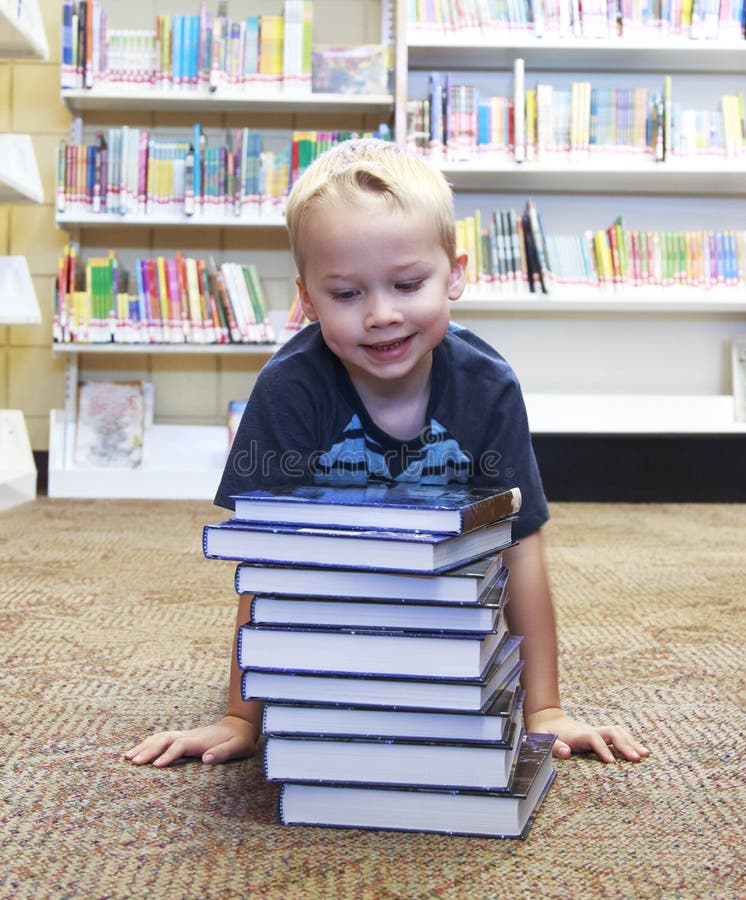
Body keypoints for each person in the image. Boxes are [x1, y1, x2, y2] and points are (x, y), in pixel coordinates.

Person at [126, 138, 649, 768]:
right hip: (328, 622)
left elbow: (522, 545)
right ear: (308, 299)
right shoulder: (288, 390)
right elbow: (269, 562)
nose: (381, 314)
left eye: (407, 284)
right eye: (346, 294)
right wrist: (242, 718)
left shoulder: (488, 387)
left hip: (446, 621)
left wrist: (545, 710)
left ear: (455, 274)